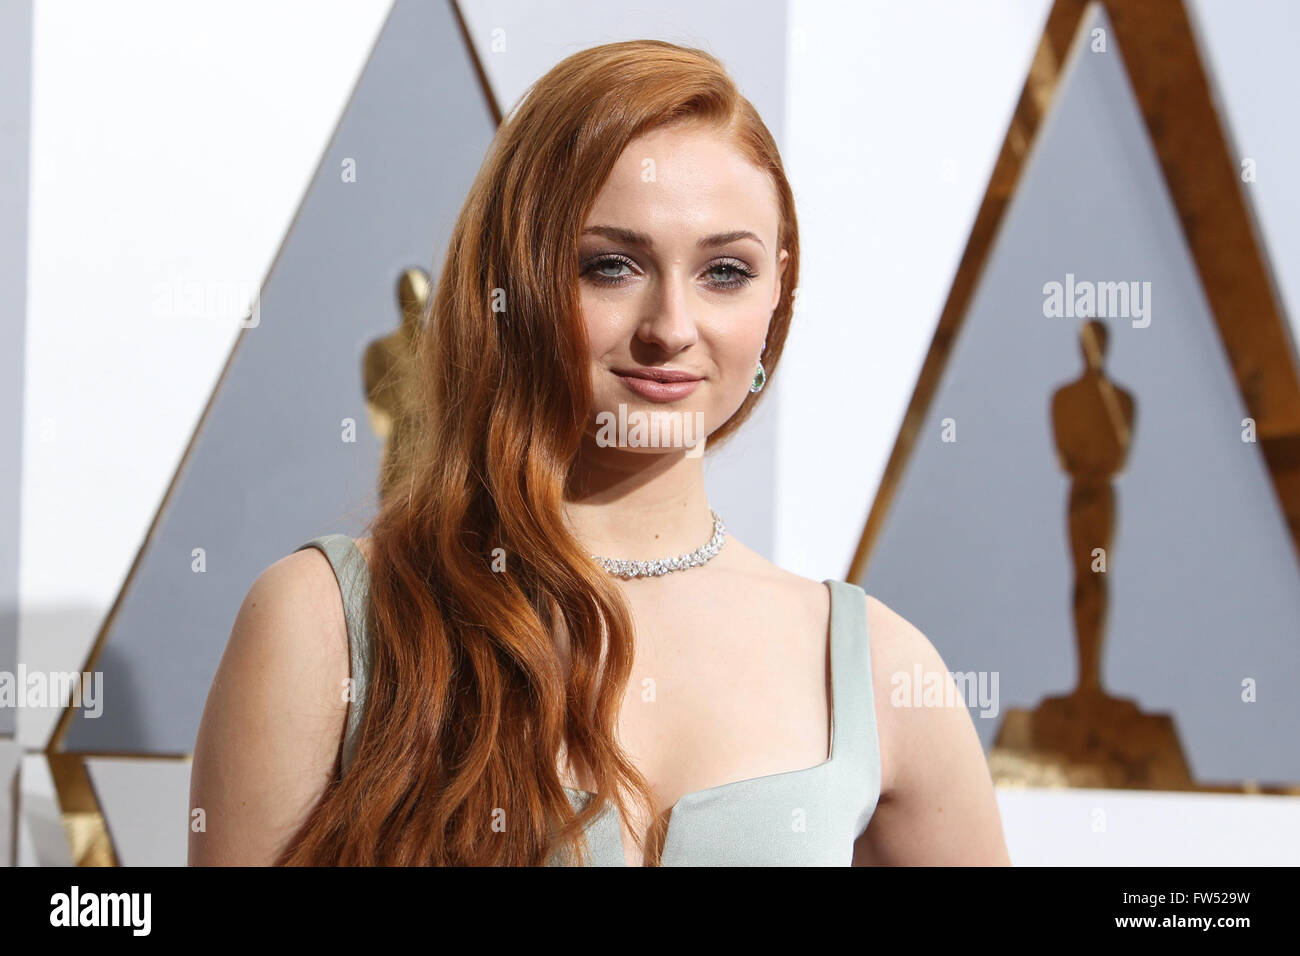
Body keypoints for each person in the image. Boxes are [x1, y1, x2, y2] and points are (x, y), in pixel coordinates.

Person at [188, 39, 1010, 867]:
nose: (671, 328)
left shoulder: (874, 668)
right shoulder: (328, 622)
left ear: (778, 293)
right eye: (611, 266)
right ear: (514, 278)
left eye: (725, 271)